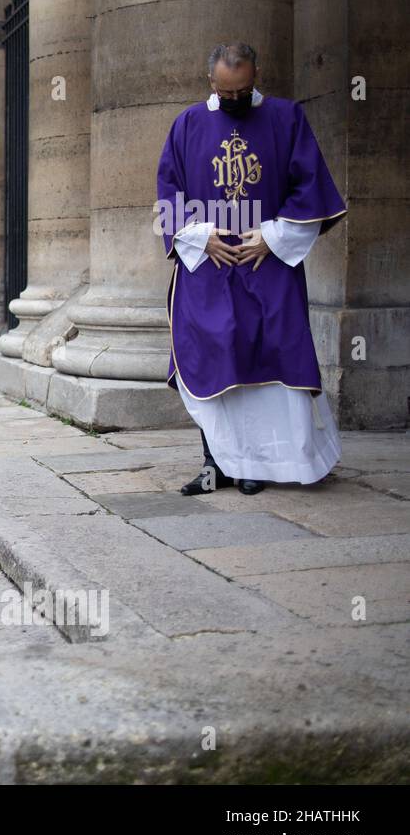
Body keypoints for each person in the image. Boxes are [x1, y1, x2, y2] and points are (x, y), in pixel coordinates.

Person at [157, 42, 347, 496]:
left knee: (269, 360)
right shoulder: (187, 125)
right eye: (227, 94)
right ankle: (214, 466)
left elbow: (311, 187)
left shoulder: (287, 118)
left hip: (268, 263)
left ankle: (257, 466)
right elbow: (168, 193)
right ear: (211, 83)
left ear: (256, 74)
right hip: (209, 267)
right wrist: (202, 237)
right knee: (213, 362)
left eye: (243, 92)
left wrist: (274, 236)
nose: (236, 102)